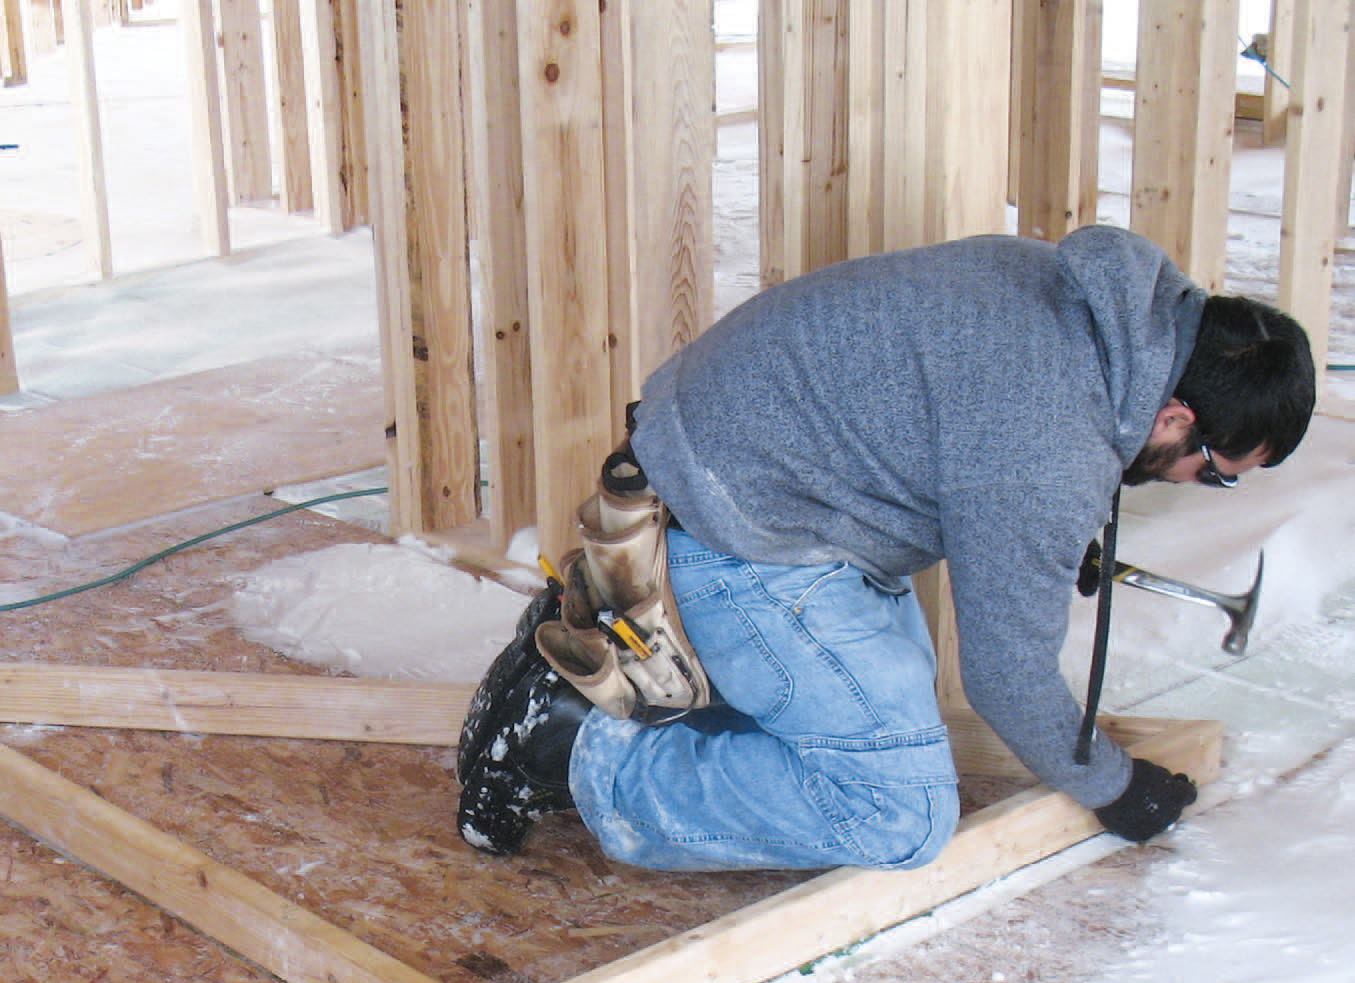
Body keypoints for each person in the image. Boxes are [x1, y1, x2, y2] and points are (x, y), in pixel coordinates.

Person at [455, 225, 1317, 870]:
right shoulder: (1047, 452)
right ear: (1176, 416)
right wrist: (1113, 788)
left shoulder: (1077, 301)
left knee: (888, 714)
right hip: (748, 530)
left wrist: (1023, 533)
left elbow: (951, 419)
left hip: (714, 463)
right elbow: (1006, 678)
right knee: (894, 814)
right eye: (1217, 472)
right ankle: (576, 748)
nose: (1198, 486)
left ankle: (636, 656)